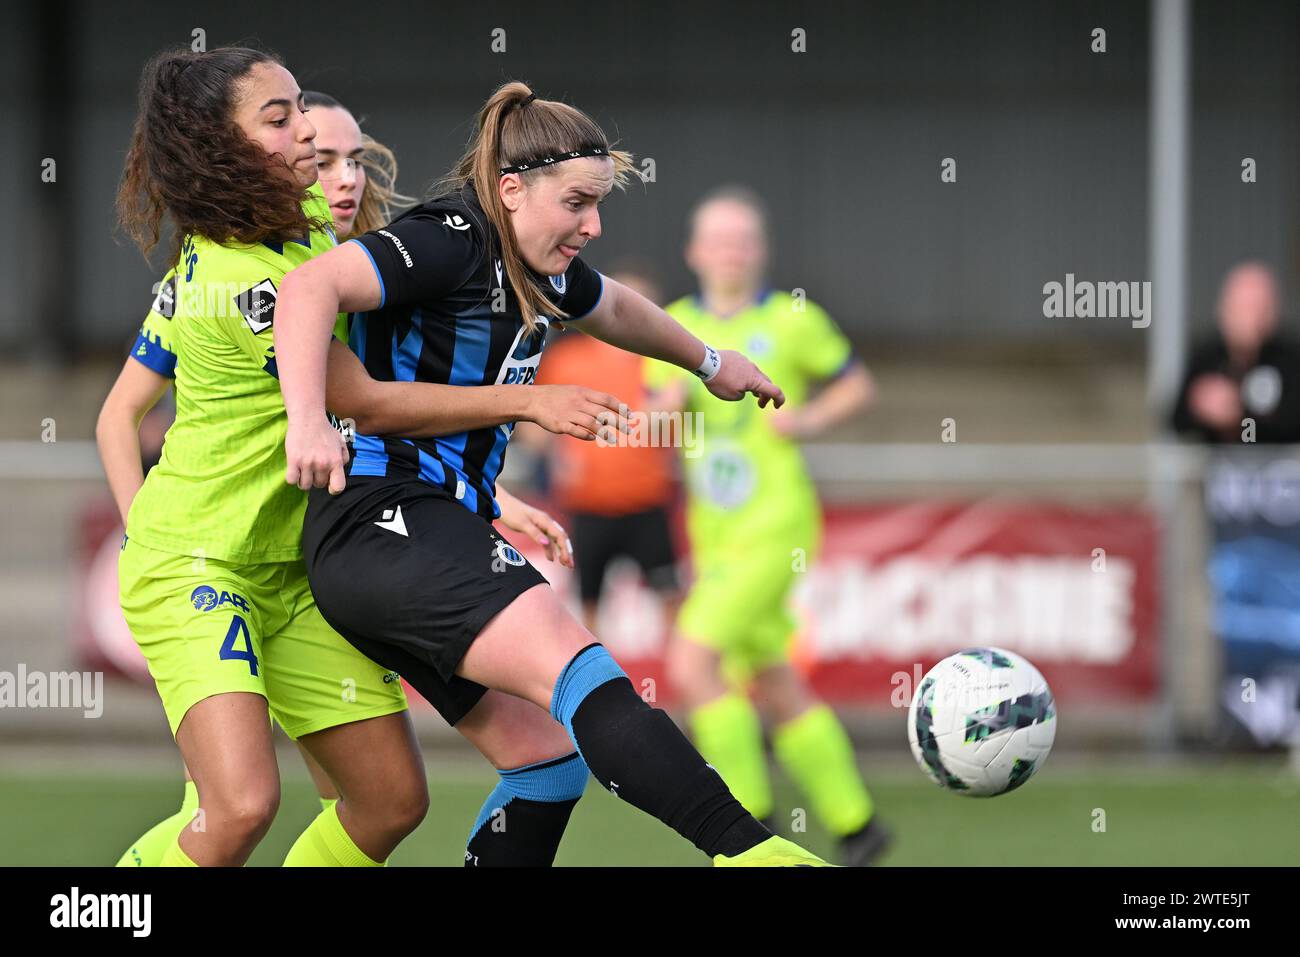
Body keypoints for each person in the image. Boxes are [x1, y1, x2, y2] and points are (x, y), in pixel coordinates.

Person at [275, 80, 824, 865]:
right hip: (380, 524)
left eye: (597, 205)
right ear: (510, 190)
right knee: (587, 671)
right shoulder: (450, 238)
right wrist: (306, 421)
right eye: (576, 202)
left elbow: (618, 309)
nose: (591, 225)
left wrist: (710, 362)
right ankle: (756, 854)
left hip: (423, 527)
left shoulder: (541, 264)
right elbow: (308, 286)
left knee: (546, 766)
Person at [112, 49, 626, 867]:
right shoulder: (245, 282)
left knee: (391, 801)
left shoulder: (312, 243)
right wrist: (528, 399)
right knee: (241, 806)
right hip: (204, 562)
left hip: (297, 569)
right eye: (281, 120)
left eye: (317, 126)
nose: (311, 139)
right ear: (219, 144)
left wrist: (484, 499)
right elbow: (369, 401)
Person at [645, 186, 890, 865]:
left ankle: (749, 819)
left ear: (761, 251)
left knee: (692, 660)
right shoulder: (670, 323)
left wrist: (806, 420)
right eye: (719, 241)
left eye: (744, 241)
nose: (732, 253)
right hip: (716, 533)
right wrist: (660, 407)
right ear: (696, 252)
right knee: (774, 675)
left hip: (777, 523)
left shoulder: (791, 319)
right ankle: (857, 822)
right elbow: (655, 414)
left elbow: (857, 384)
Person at [522, 263, 683, 634]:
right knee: (589, 605)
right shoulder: (568, 359)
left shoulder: (662, 360)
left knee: (671, 597)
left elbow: (679, 420)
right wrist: (553, 453)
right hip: (588, 505)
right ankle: (599, 685)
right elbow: (533, 420)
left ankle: (682, 683)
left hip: (648, 501)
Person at [1171, 262, 1300, 443]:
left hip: (1283, 468)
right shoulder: (1207, 358)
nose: (1252, 318)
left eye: (1260, 307)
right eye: (1243, 308)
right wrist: (1200, 409)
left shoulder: (1290, 360)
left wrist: (1240, 415)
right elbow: (1177, 421)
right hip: (1220, 468)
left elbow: (1290, 422)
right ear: (1224, 309)